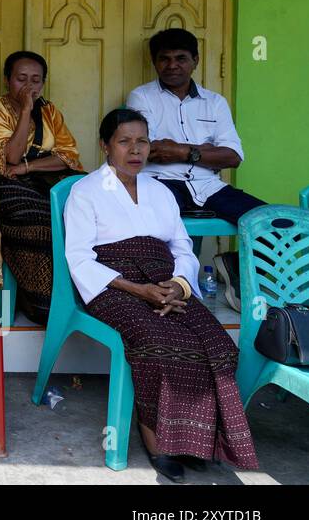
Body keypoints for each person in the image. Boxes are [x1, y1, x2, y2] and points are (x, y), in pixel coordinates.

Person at [63, 108, 258, 481]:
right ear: (105, 145)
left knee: (216, 341)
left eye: (142, 141)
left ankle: (195, 440)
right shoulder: (85, 192)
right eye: (124, 141)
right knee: (156, 338)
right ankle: (156, 437)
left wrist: (179, 285)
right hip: (113, 286)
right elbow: (80, 259)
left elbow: (182, 246)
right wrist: (139, 289)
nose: (135, 150)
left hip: (164, 280)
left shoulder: (160, 191)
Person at [126, 28, 266, 311]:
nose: (172, 65)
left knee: (268, 223)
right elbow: (144, 149)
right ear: (154, 62)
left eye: (181, 58)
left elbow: (233, 156)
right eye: (164, 59)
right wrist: (203, 151)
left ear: (196, 61)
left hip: (208, 185)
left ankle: (234, 266)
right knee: (154, 227)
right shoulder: (141, 98)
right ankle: (166, 292)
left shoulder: (214, 102)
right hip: (161, 181)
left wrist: (180, 151)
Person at [0, 51, 83, 323]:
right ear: (6, 80)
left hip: (38, 177)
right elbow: (9, 158)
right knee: (42, 221)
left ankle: (80, 295)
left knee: (81, 215)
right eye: (21, 79)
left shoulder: (50, 111)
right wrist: (25, 110)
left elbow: (68, 155)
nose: (29, 87)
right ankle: (40, 301)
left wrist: (29, 167)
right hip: (3, 180)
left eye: (36, 80)